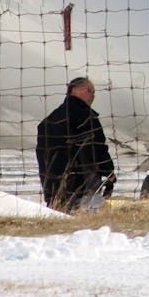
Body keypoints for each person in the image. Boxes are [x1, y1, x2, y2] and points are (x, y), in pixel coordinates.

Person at [36, 77, 116, 211]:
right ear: (75, 91)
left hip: (54, 190)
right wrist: (109, 172)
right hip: (82, 187)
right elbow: (96, 149)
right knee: (90, 217)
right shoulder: (86, 117)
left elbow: (42, 158)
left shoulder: (48, 122)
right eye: (90, 91)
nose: (93, 96)